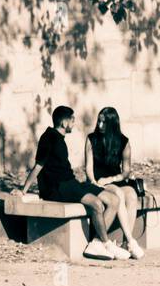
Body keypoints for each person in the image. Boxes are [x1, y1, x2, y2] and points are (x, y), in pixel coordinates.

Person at [18, 105, 127, 261]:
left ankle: (97, 243)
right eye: (72, 120)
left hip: (70, 183)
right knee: (96, 204)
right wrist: (23, 191)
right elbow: (38, 166)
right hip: (58, 188)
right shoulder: (48, 138)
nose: (74, 123)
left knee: (113, 200)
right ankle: (106, 243)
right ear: (64, 123)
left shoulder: (59, 139)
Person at [84, 106, 145, 260]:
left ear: (112, 124)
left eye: (104, 123)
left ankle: (126, 243)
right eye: (99, 121)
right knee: (118, 194)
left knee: (131, 194)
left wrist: (111, 179)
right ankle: (131, 240)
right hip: (97, 182)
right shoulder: (92, 139)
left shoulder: (124, 142)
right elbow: (88, 167)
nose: (100, 125)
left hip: (113, 180)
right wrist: (93, 181)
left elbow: (125, 172)